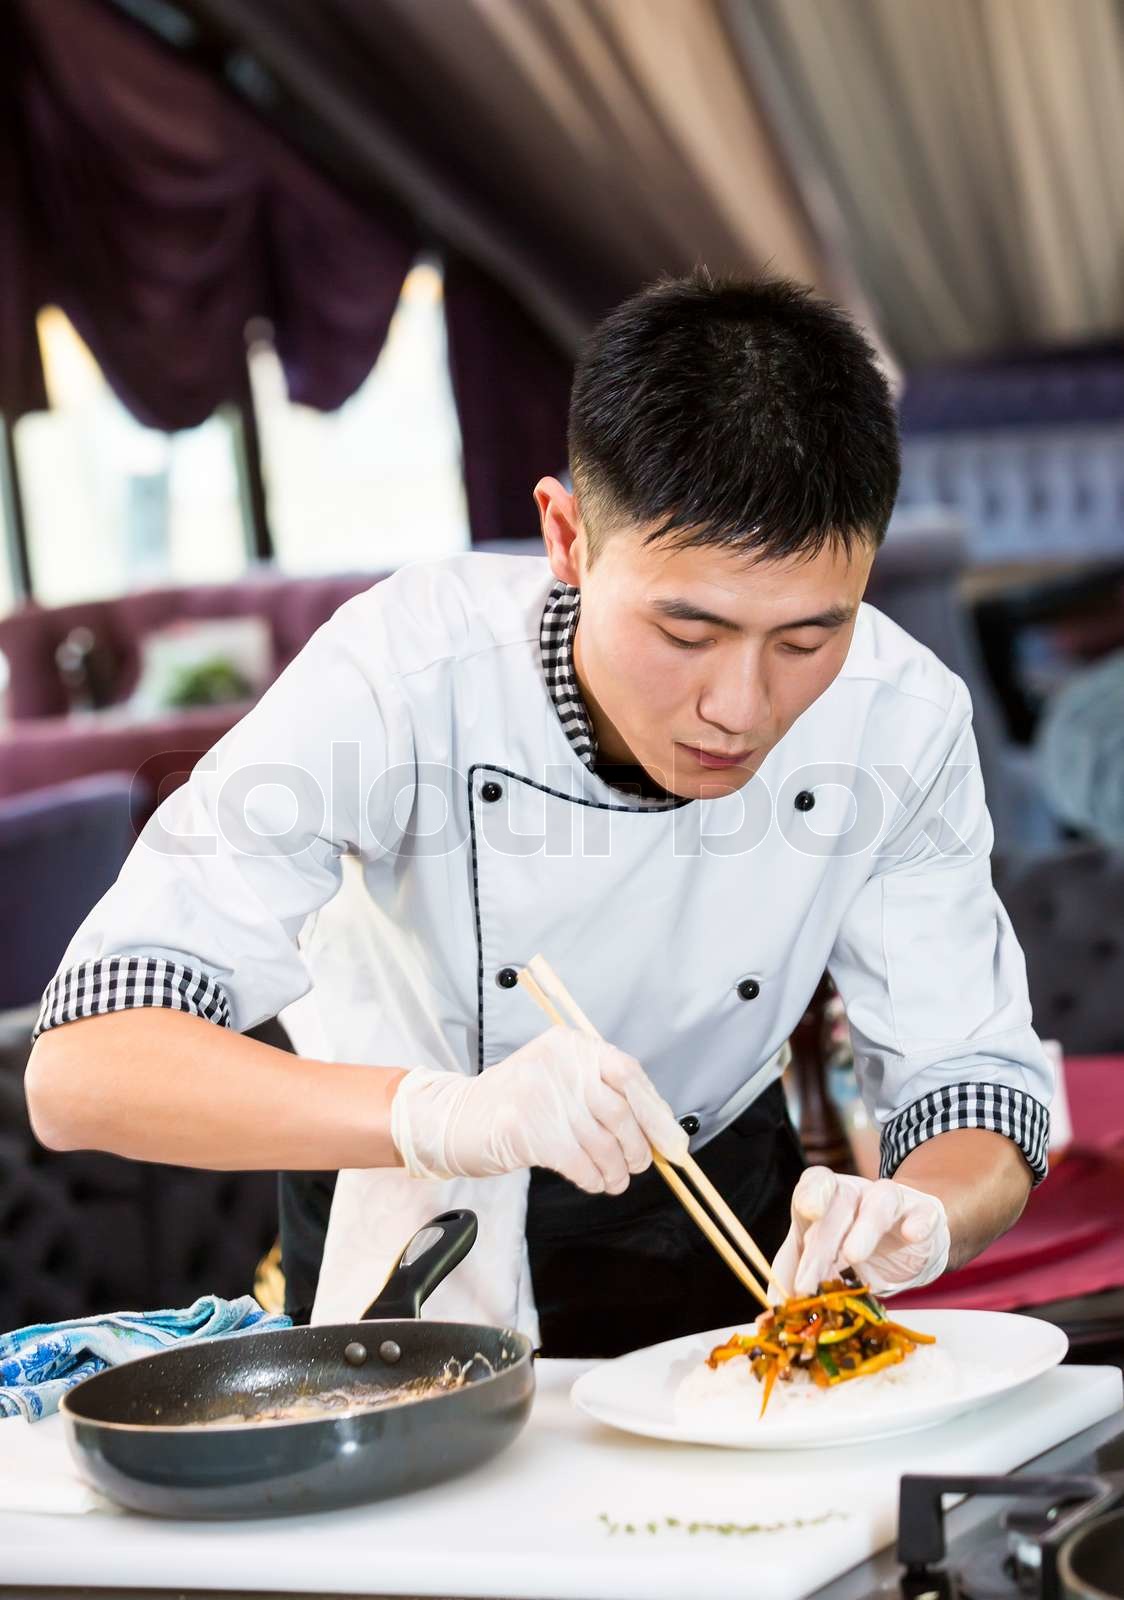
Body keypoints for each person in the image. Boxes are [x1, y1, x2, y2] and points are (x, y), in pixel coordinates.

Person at [25, 272, 1052, 1356]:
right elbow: (84, 1067)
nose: (739, 707)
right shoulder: (403, 671)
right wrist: (443, 1117)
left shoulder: (900, 715)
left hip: (731, 1249)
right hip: (405, 1258)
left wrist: (922, 1215)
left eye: (805, 639)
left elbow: (967, 1080)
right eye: (685, 631)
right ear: (565, 536)